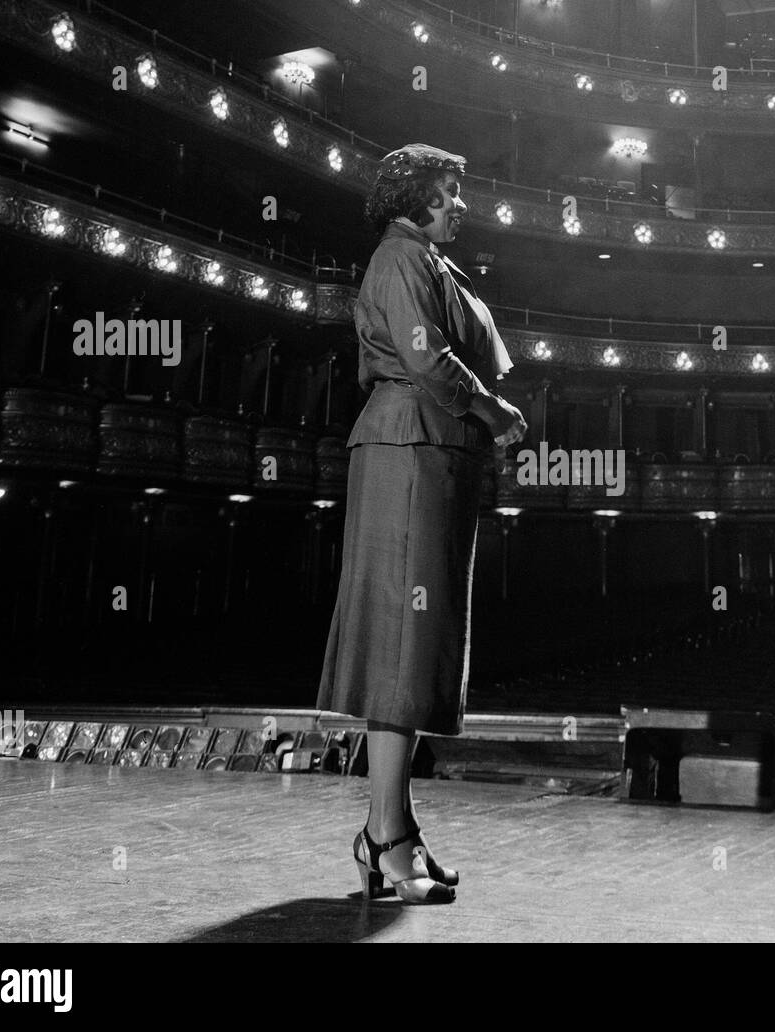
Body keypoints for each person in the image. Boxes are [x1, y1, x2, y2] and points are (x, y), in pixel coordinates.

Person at [317, 143, 527, 905]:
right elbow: (427, 357)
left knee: (417, 648)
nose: (460, 203)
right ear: (413, 196)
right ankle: (384, 838)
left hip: (425, 451)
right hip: (409, 448)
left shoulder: (423, 259)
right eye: (448, 191)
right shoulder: (400, 259)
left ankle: (394, 832)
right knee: (404, 651)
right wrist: (492, 408)